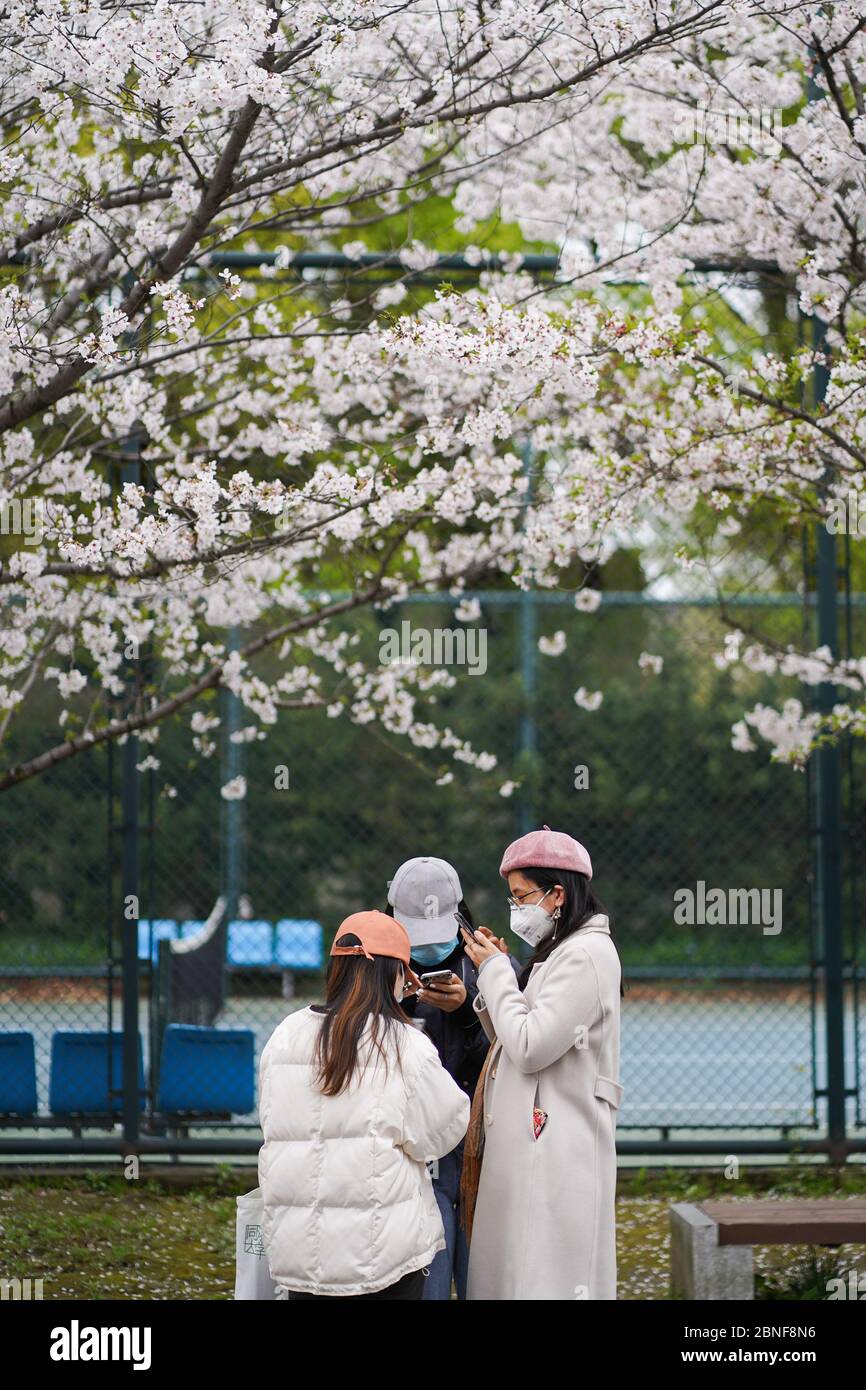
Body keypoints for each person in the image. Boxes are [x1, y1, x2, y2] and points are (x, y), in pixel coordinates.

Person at [257, 910, 470, 1299]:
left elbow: (272, 1122)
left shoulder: (285, 1034)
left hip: (299, 1257)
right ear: (397, 975)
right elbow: (441, 1135)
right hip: (383, 1257)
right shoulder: (404, 1045)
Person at [459, 825, 625, 1301]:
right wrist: (494, 985)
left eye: (521, 896)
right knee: (519, 1271)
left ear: (557, 893)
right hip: (537, 1140)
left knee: (543, 1274)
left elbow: (530, 1046)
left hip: (556, 1144)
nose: (516, 910)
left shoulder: (587, 955)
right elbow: (513, 1041)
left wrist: (493, 973)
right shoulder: (560, 953)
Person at [386, 856, 520, 1300]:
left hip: (482, 1146)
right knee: (430, 1279)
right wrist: (397, 1010)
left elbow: (510, 1061)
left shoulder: (491, 965)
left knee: (485, 1275)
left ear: (460, 915)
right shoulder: (377, 968)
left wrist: (467, 1012)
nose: (427, 949)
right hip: (411, 1150)